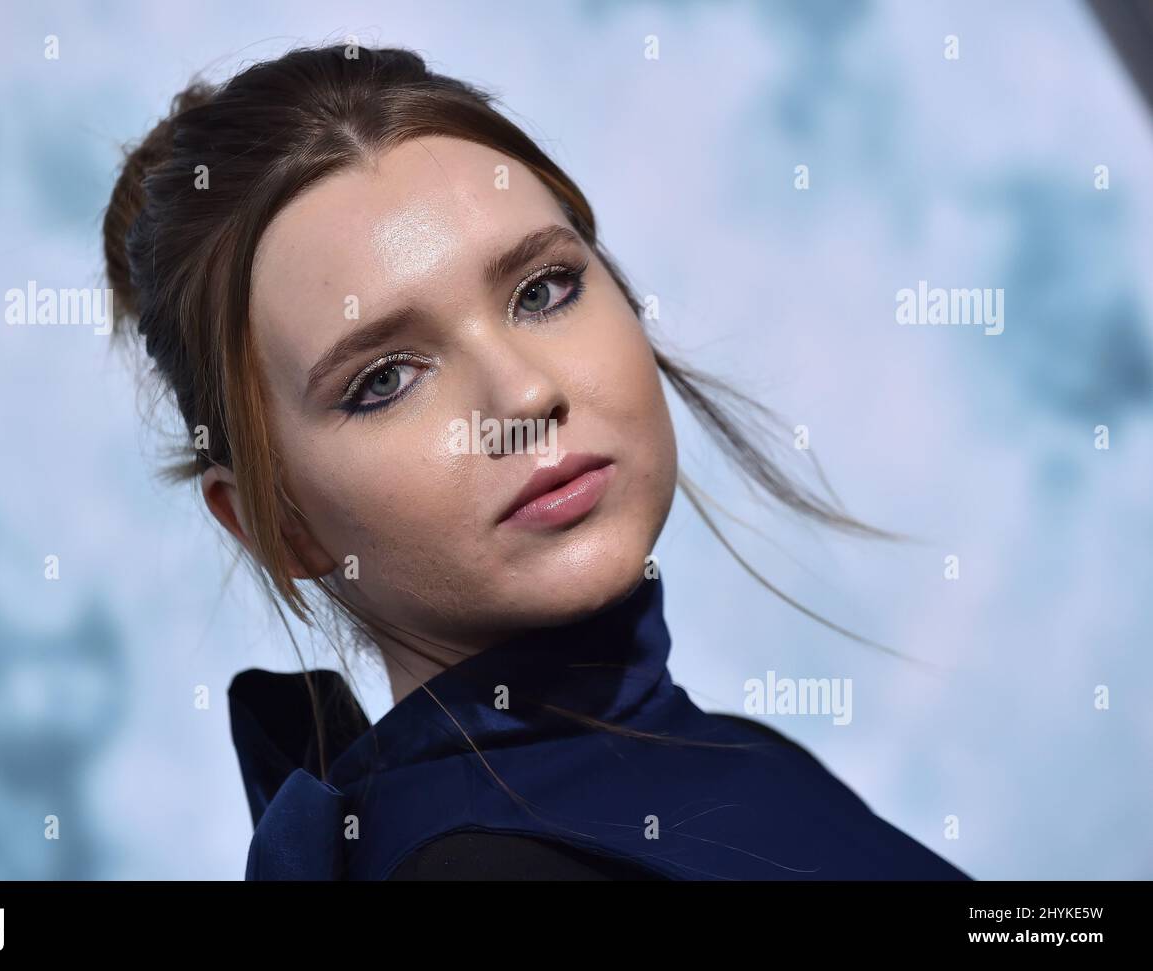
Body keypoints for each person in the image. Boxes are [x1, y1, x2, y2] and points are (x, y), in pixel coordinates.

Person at [103, 42, 971, 881]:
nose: (522, 397)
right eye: (385, 379)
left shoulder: (741, 751)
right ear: (279, 525)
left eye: (543, 290)